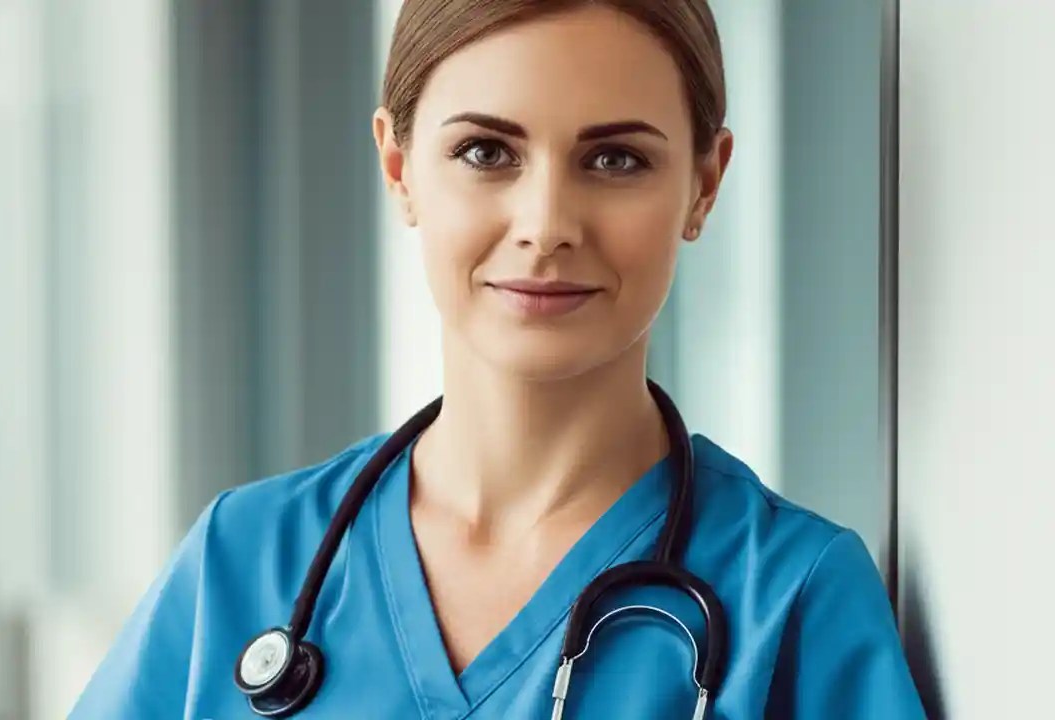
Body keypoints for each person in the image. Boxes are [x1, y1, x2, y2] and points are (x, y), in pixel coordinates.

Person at [71, 1, 927, 717]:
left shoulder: (794, 602)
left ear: (705, 183)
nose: (547, 221)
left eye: (614, 159)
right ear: (399, 167)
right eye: (487, 152)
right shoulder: (242, 561)